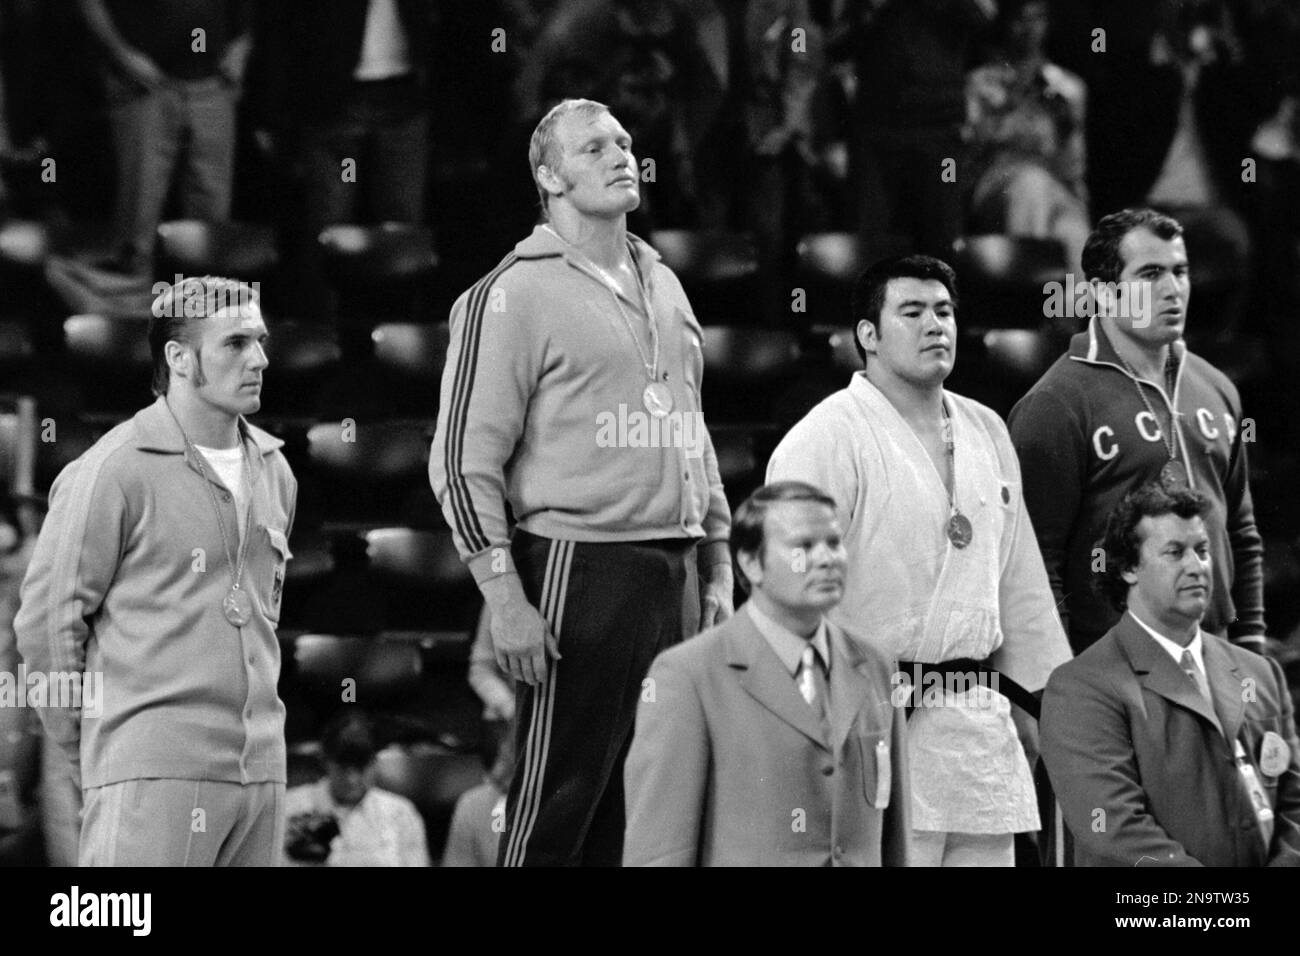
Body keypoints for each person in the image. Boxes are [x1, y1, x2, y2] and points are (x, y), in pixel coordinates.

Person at [428, 98, 733, 867]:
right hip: (580, 566)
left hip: (676, 568)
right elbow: (462, 460)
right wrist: (504, 597)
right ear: (549, 176)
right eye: (594, 147)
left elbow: (692, 428)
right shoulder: (510, 292)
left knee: (645, 811)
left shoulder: (664, 280)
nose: (621, 154)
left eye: (624, 142)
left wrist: (718, 558)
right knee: (554, 807)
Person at [767, 254, 1070, 866]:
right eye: (912, 312)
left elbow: (1019, 583)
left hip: (976, 728)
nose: (935, 325)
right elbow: (786, 596)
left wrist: (1038, 702)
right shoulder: (825, 437)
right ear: (868, 335)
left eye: (944, 311)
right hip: (867, 719)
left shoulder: (988, 430)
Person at [15, 275, 297, 866]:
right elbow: (46, 627)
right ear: (179, 358)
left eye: (261, 341)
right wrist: (96, 751)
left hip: (261, 773)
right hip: (151, 768)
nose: (260, 359)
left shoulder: (276, 470)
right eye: (236, 343)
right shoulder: (112, 469)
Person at [1008, 208, 1265, 655]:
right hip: (1113, 664)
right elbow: (1035, 564)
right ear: (1104, 294)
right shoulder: (1055, 404)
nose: (1173, 289)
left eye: (1180, 271)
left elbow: (1240, 533)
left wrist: (1252, 647)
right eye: (1150, 274)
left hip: (1215, 654)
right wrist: (1062, 678)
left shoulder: (1216, 387)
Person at [624, 481, 910, 866]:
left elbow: (894, 842)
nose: (827, 559)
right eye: (803, 546)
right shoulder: (687, 677)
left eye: (833, 542)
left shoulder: (877, 665)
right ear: (751, 563)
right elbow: (659, 854)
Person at [1040, 482, 1300, 866]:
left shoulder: (1261, 673)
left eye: (1203, 551)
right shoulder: (1080, 687)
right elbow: (1114, 829)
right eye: (1175, 552)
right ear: (1129, 568)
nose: (1197, 567)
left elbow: (1294, 804)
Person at [77, 0, 251, 278]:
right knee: (138, 216)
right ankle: (132, 294)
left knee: (212, 218)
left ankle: (202, 300)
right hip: (143, 86)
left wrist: (241, 48)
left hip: (211, 85)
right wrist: (123, 54)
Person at [964, 0, 1090, 270]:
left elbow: (1073, 166)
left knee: (1073, 227)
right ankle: (1029, 291)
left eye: (1037, 18)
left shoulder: (1067, 87)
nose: (1029, 28)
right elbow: (968, 155)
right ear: (1008, 24)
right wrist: (1006, 111)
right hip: (997, 185)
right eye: (1021, 19)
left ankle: (1074, 299)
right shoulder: (981, 83)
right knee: (1031, 187)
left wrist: (1064, 126)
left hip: (1052, 183)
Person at [283, 710, 430, 867]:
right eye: (343, 768)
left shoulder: (401, 813)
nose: (352, 780)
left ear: (374, 763)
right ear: (325, 761)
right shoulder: (289, 806)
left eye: (361, 769)